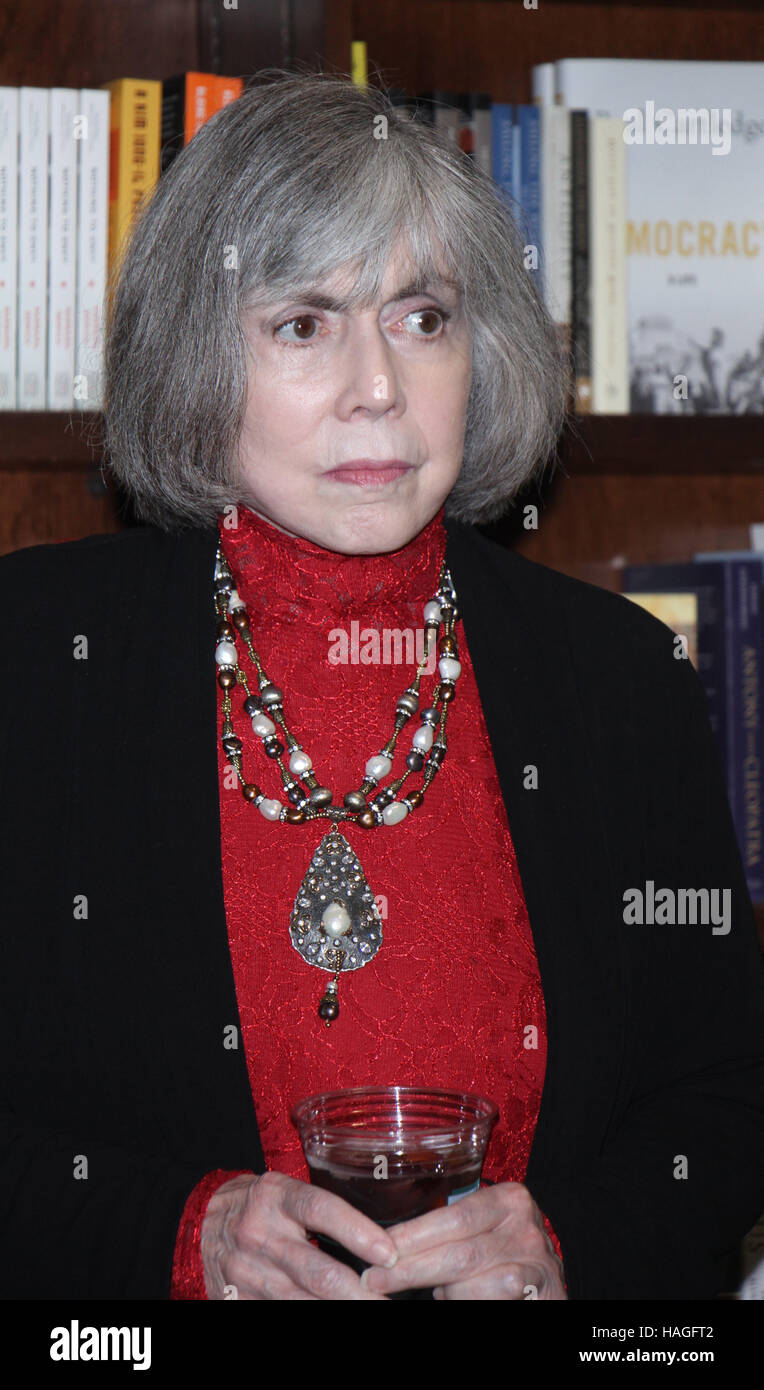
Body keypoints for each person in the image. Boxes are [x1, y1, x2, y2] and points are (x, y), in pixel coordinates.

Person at [1, 68, 763, 1302]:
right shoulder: (37, 661)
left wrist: (564, 1249)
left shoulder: (620, 673)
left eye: (421, 318)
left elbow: (726, 1099)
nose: (378, 387)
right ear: (198, 360)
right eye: (303, 324)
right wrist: (181, 1235)